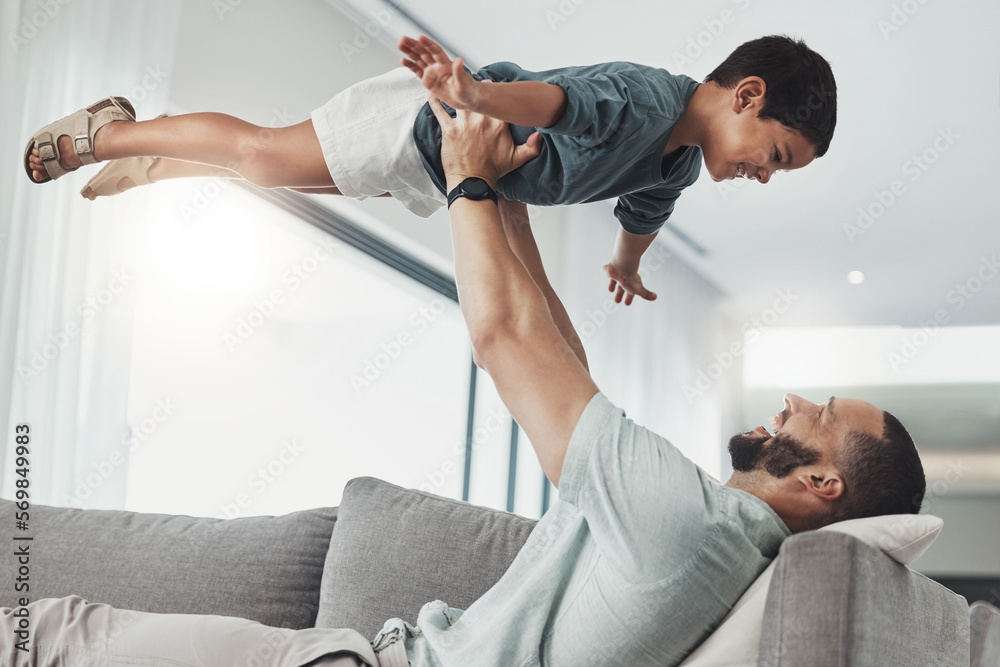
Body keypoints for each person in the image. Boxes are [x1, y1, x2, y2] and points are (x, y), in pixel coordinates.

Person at [3, 99, 923, 667]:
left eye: (824, 413)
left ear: (822, 482)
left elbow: (502, 337)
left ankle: (119, 135)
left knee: (50, 634)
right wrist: (511, 200)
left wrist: (466, 184)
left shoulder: (689, 525)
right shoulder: (700, 534)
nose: (799, 396)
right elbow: (563, 358)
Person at [23, 33, 836, 305]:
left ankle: (159, 163)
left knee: (282, 175)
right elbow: (558, 103)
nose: (761, 175)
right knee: (265, 157)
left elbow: (641, 219)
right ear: (749, 96)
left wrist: (625, 265)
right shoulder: (644, 97)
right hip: (437, 124)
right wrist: (474, 91)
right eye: (774, 158)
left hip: (447, 169)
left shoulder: (680, 163)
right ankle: (111, 132)